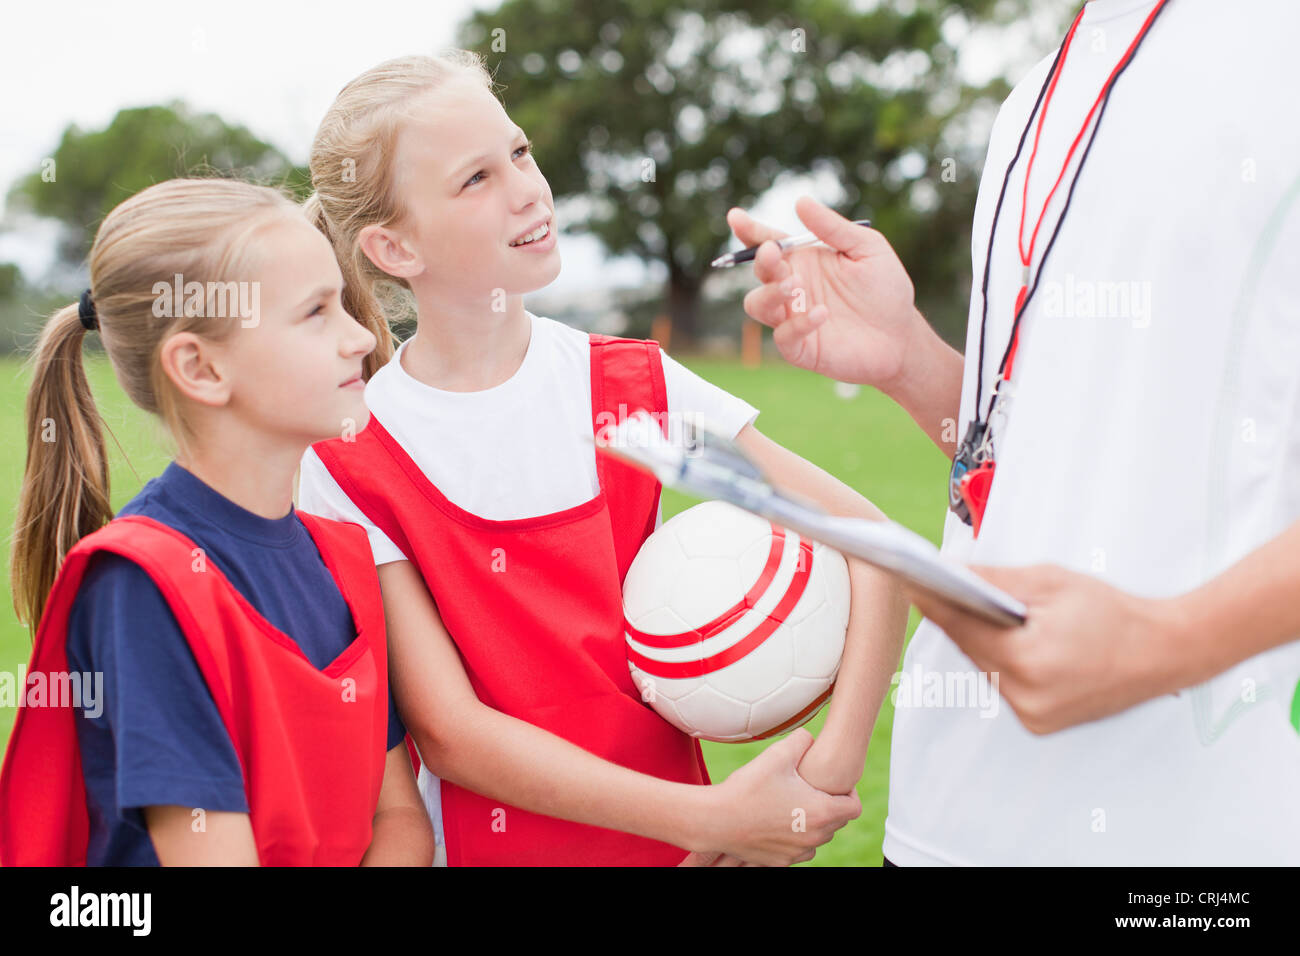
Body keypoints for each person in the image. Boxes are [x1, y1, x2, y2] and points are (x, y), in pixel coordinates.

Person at [295, 52, 911, 866]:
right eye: (475, 178)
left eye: (518, 152)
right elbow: (452, 736)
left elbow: (874, 543)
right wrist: (711, 820)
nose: (526, 188)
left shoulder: (633, 383)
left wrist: (826, 773)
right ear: (394, 247)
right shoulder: (347, 454)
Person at [728, 0, 1300, 864]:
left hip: (1187, 844)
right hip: (944, 819)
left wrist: (1170, 643)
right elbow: (1028, 457)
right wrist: (909, 359)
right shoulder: (1037, 92)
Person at [0, 178, 434, 866]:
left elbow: (400, 818)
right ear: (200, 368)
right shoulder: (141, 586)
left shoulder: (344, 559)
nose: (359, 336)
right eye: (316, 312)